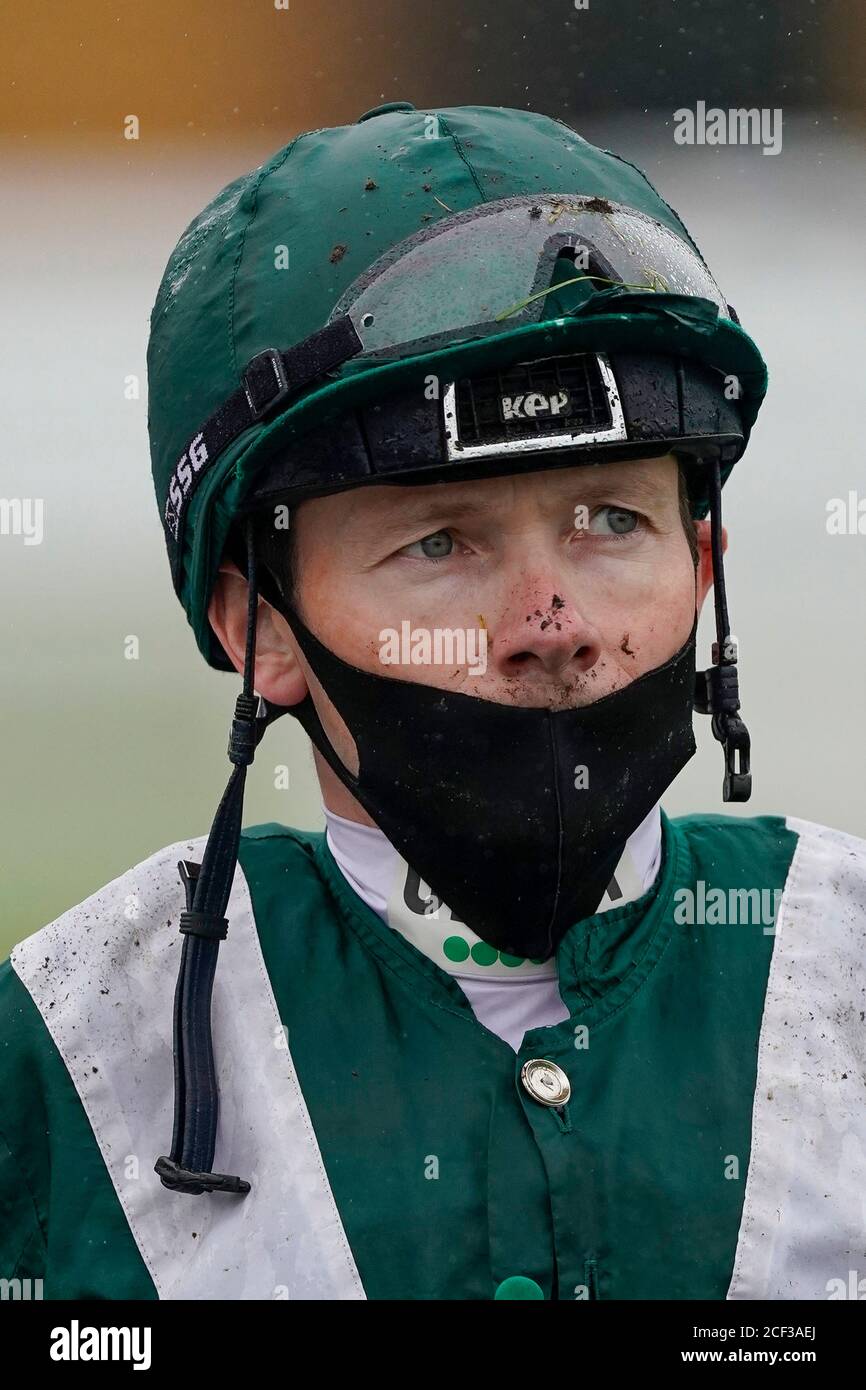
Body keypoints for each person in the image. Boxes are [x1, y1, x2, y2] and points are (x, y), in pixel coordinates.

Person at [2, 102, 864, 1303]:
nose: (545, 626)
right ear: (259, 629)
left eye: (610, 522)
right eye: (440, 543)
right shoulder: (63, 1054)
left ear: (703, 558)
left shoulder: (849, 968)